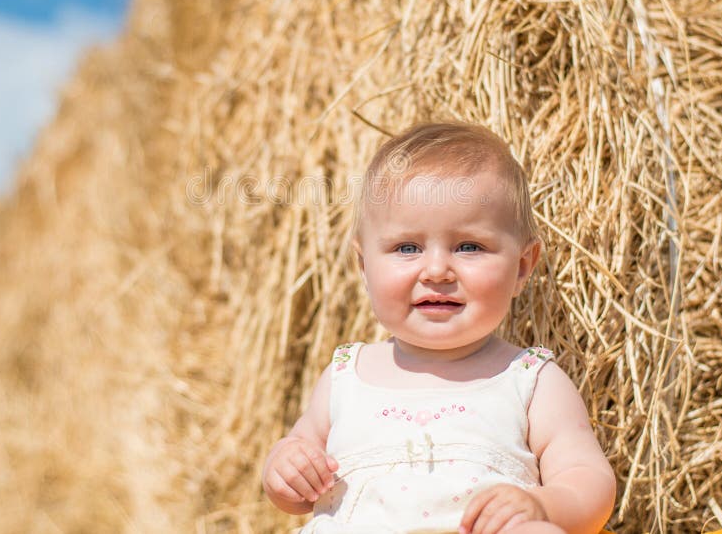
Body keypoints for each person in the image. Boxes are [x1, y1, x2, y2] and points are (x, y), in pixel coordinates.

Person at [262, 123, 616, 534]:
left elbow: (588, 481)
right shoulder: (345, 376)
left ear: (522, 266)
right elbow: (293, 483)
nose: (436, 271)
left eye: (469, 247)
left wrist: (538, 506)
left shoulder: (530, 381)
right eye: (407, 248)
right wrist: (286, 468)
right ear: (364, 266)